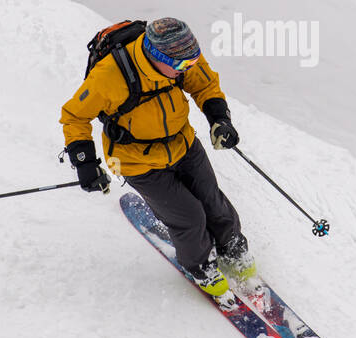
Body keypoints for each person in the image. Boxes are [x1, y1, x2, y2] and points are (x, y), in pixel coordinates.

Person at [60, 18, 254, 303]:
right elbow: (74, 115)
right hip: (137, 162)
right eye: (180, 66)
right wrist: (86, 164)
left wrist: (219, 119)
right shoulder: (109, 76)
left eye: (191, 61)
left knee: (213, 201)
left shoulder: (181, 58)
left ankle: (232, 248)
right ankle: (200, 268)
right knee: (190, 216)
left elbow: (205, 84)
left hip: (183, 143)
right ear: (156, 56)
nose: (186, 68)